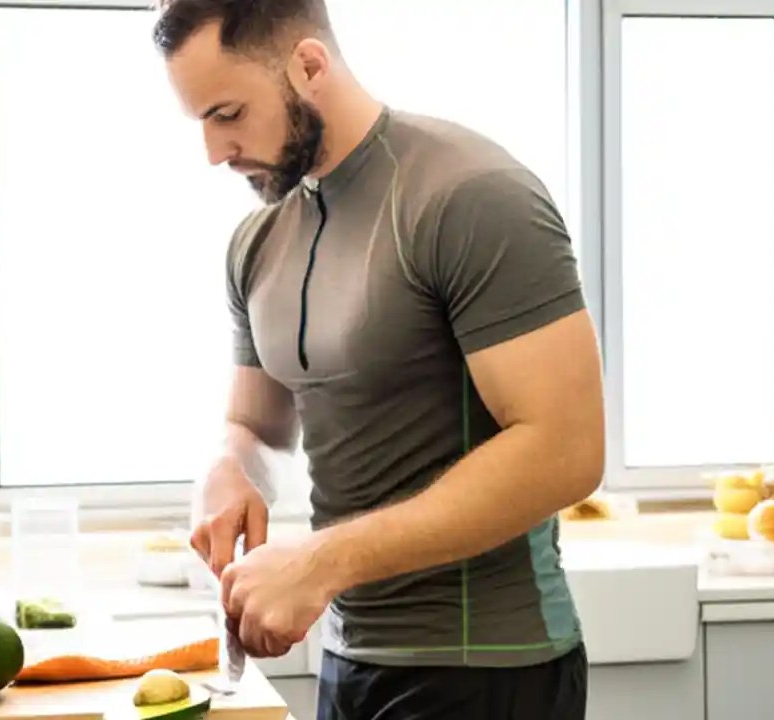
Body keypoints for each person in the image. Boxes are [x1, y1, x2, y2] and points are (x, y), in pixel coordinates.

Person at [151, 1, 605, 718]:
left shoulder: (473, 196)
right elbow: (258, 424)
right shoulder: (258, 239)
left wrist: (321, 561)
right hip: (350, 660)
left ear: (308, 65)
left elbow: (567, 451)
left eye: (229, 113)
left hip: (488, 670)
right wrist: (230, 467)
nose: (214, 151)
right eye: (201, 120)